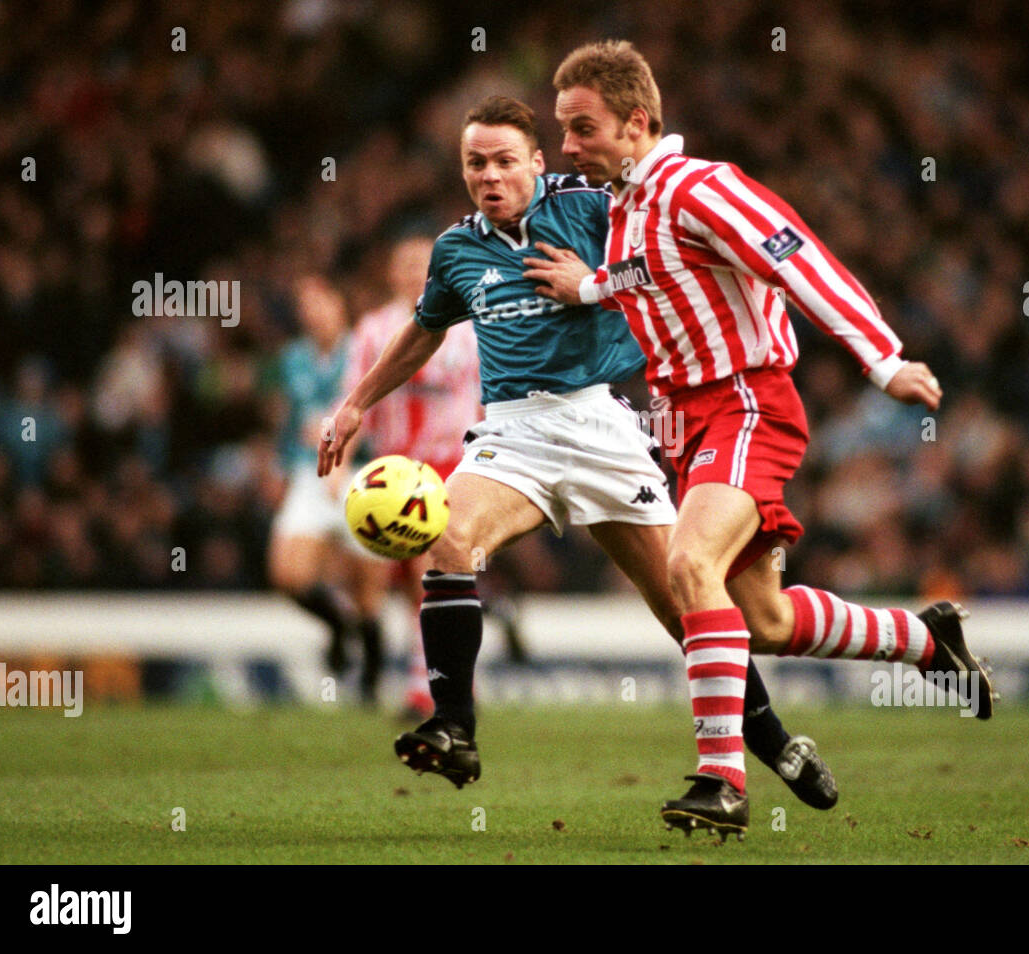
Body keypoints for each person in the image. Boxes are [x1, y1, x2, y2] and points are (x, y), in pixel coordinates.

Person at [523, 40, 994, 838]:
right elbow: (652, 276)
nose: (567, 146)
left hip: (746, 403)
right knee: (764, 621)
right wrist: (590, 286)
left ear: (636, 123)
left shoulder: (699, 186)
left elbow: (796, 258)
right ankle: (927, 641)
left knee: (687, 563)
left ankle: (722, 782)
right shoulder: (628, 209)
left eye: (582, 128)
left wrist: (884, 359)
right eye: (564, 129)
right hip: (687, 424)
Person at [318, 96, 839, 811]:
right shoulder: (456, 249)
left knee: (683, 603)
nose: (490, 176)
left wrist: (596, 286)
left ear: (537, 162)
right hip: (511, 434)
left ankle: (773, 738)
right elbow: (425, 328)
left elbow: (666, 258)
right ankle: (455, 727)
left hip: (600, 425)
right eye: (476, 163)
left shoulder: (596, 208)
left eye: (505, 161)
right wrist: (355, 405)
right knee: (445, 540)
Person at [345, 236, 482, 720]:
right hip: (391, 470)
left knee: (434, 569)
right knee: (409, 587)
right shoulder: (372, 330)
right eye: (403, 263)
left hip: (450, 462)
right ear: (390, 272)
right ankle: (439, 678)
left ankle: (429, 692)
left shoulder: (469, 326)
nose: (412, 272)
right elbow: (353, 397)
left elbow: (484, 395)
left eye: (422, 264)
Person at [270, 274, 387, 702]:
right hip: (310, 472)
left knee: (368, 591)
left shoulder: (364, 348)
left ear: (341, 305)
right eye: (305, 305)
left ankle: (371, 683)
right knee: (287, 573)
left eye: (321, 302)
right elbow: (289, 417)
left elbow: (373, 406)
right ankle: (339, 622)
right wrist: (281, 468)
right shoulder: (294, 358)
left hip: (360, 471)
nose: (312, 313)